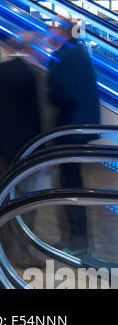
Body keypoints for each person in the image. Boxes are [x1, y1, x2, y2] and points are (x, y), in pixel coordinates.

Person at [46, 16, 100, 252]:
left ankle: (78, 242)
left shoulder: (69, 56)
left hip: (72, 129)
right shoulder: (75, 53)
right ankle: (74, 239)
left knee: (70, 185)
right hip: (74, 127)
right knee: (69, 182)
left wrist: (48, 70)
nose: (49, 29)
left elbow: (63, 93)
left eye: (53, 26)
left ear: (64, 32)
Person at [0, 36, 42, 184]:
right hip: (27, 142)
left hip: (1, 140)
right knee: (25, 189)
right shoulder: (33, 73)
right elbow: (36, 112)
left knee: (2, 187)